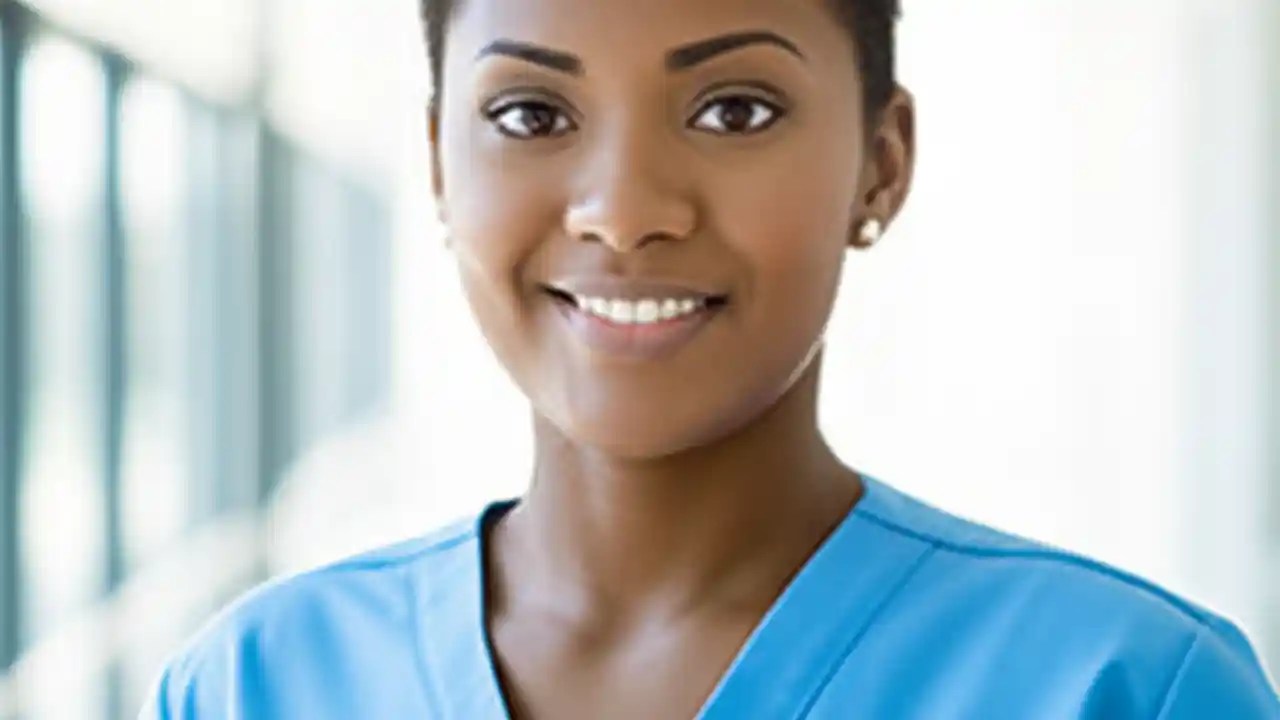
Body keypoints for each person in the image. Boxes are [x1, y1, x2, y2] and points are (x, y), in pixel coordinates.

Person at [141, 0, 1280, 717]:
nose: (623, 212)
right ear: (438, 165)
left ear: (878, 165)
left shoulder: (1122, 687)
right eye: (532, 116)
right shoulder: (254, 685)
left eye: (732, 111)